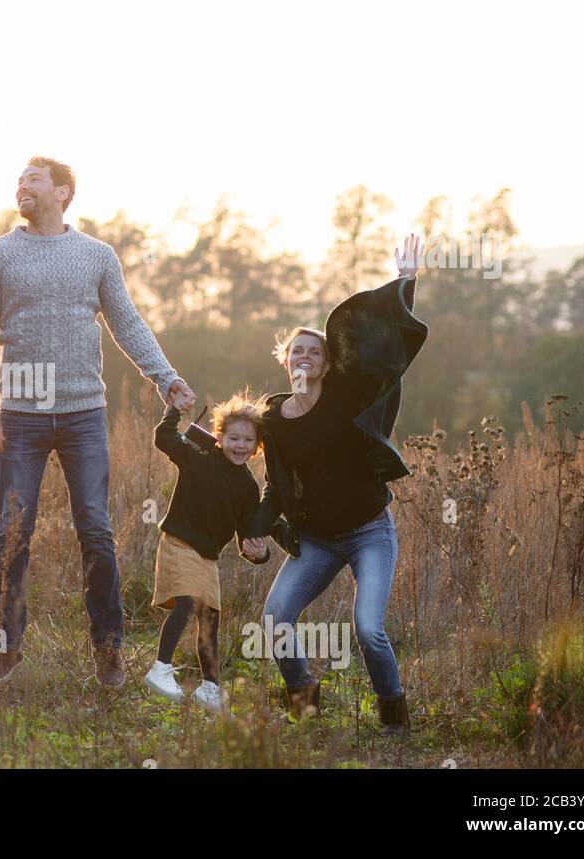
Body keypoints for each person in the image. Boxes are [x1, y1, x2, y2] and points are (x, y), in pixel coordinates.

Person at [0, 156, 196, 686]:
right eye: (19, 180)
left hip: (84, 414)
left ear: (63, 192)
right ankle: (5, 651)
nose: (22, 185)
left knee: (96, 528)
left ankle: (108, 651)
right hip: (18, 417)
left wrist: (166, 378)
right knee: (13, 533)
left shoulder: (96, 255)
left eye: (34, 179)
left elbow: (126, 321)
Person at [248, 234, 427, 737]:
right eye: (295, 351)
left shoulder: (346, 394)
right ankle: (303, 702)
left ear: (326, 364)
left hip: (370, 530)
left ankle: (393, 714)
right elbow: (274, 491)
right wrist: (255, 531)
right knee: (276, 621)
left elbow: (388, 349)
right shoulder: (274, 420)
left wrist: (406, 283)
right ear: (286, 360)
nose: (304, 357)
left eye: (314, 352)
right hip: (317, 540)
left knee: (368, 629)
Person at [145, 394, 272, 713]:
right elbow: (164, 439)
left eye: (248, 440)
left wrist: (259, 553)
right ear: (219, 436)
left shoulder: (248, 487)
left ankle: (210, 687)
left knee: (210, 619)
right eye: (233, 438)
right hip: (179, 541)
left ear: (258, 445)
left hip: (208, 556)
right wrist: (173, 411)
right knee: (187, 604)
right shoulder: (198, 454)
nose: (240, 445)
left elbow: (246, 537)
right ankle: (160, 668)